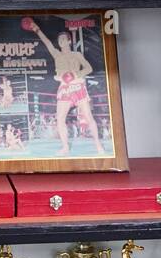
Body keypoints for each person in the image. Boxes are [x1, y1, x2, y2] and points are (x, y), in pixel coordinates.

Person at [25, 18, 105, 156]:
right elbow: (47, 43)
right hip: (64, 88)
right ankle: (65, 147)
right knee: (60, 119)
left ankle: (98, 146)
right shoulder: (57, 55)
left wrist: (75, 74)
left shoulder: (77, 54)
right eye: (60, 40)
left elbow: (89, 68)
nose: (62, 41)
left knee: (89, 116)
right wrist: (36, 29)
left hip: (78, 86)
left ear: (69, 41)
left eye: (64, 39)